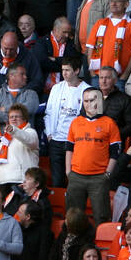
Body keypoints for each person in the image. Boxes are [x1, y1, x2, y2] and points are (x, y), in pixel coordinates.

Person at [65, 87, 122, 226]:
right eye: (86, 101)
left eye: (92, 100)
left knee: (101, 217)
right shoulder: (76, 122)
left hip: (99, 178)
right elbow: (69, 148)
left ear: (100, 101)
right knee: (73, 218)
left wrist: (107, 173)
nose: (88, 104)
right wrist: (68, 171)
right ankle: (75, 246)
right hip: (76, 176)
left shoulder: (109, 123)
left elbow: (116, 152)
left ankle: (98, 246)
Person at [45, 55, 90, 189]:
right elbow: (49, 112)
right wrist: (49, 134)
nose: (64, 73)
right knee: (57, 181)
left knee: (75, 181)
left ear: (77, 71)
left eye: (68, 70)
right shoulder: (56, 88)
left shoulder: (87, 90)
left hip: (76, 142)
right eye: (63, 69)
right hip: (56, 141)